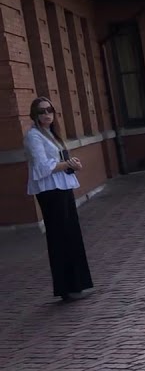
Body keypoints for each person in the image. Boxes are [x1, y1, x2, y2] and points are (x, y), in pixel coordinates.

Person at [24, 97, 94, 302]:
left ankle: (78, 284)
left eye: (50, 110)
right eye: (42, 111)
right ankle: (66, 288)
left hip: (62, 187)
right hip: (49, 191)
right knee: (60, 237)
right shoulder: (33, 136)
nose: (47, 114)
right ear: (34, 114)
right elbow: (42, 166)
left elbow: (58, 161)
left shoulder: (52, 135)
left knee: (72, 234)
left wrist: (72, 165)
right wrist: (65, 164)